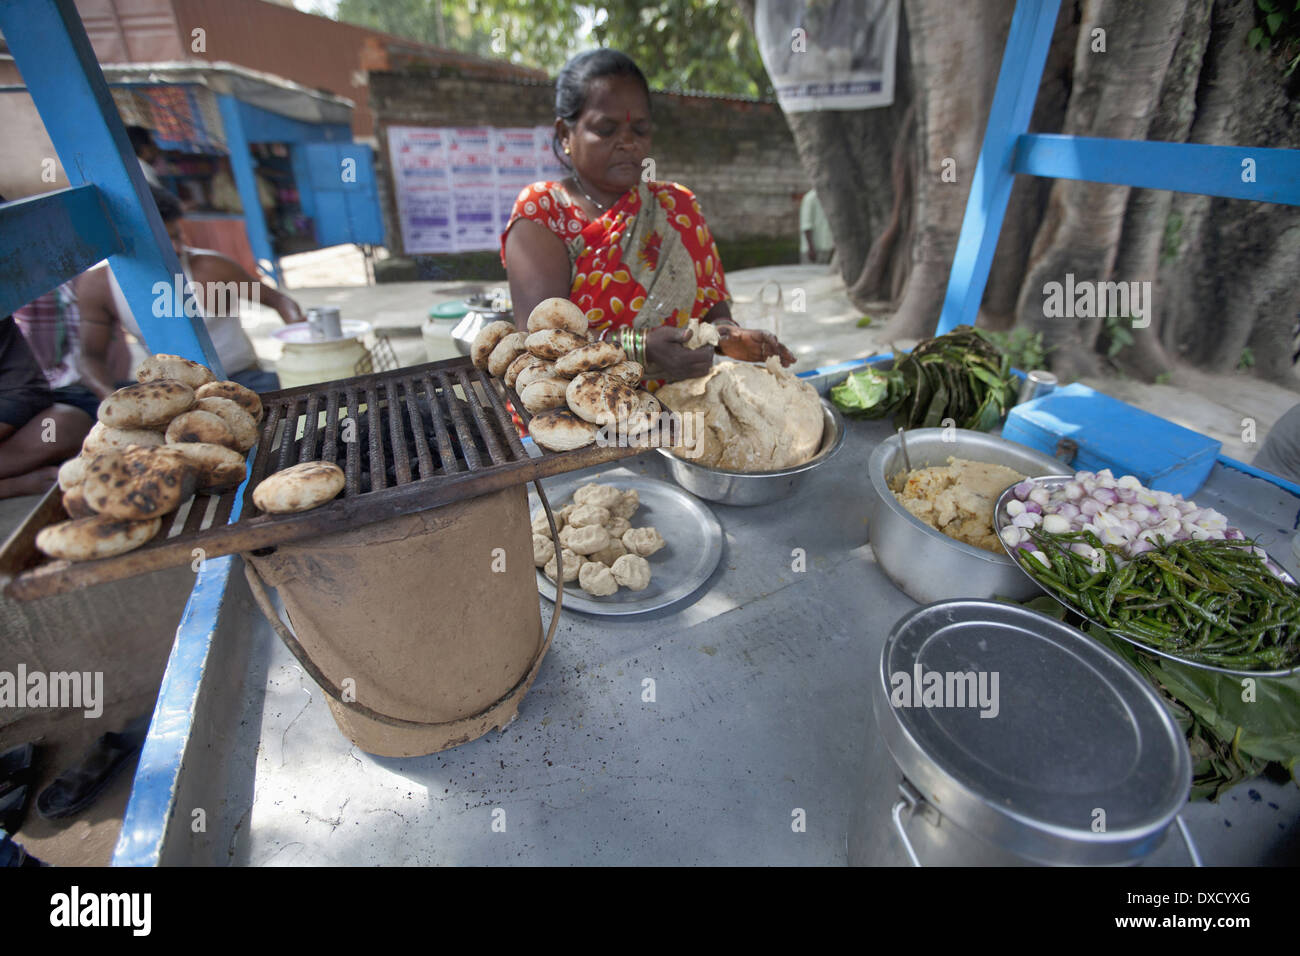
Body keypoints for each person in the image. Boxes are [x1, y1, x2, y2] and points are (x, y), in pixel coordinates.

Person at [501, 49, 794, 383]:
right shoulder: (544, 210)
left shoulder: (677, 207)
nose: (627, 143)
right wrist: (640, 347)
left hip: (679, 409)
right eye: (606, 129)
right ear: (565, 134)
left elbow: (716, 320)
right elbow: (538, 345)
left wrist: (733, 339)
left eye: (639, 129)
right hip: (576, 415)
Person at [76, 185, 306, 393]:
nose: (176, 248)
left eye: (177, 237)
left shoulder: (213, 268)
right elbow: (90, 357)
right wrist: (109, 399)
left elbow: (279, 301)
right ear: (125, 242)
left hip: (241, 379)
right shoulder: (98, 286)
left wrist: (302, 342)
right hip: (170, 391)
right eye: (162, 244)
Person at [0, 314, 92, 499]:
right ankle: (8, 486)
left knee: (59, 424)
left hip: (9, 440)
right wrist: (12, 487)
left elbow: (23, 391)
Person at [800, 189, 834, 265]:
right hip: (813, 249)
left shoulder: (829, 197)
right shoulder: (810, 198)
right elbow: (806, 226)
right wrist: (811, 248)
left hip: (827, 247)